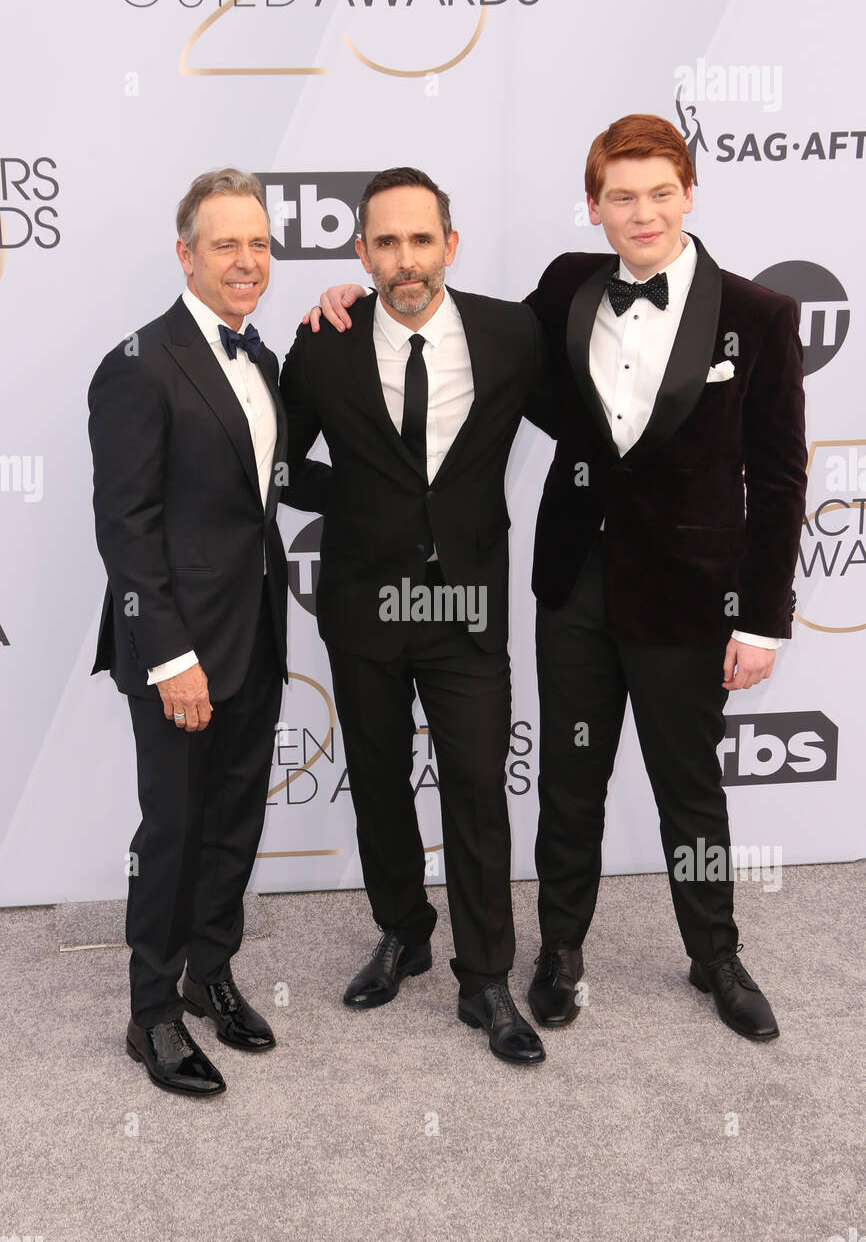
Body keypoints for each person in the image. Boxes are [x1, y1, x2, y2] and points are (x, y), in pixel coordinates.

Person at [312, 115, 808, 1043]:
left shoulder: (760, 314)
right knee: (569, 784)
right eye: (621, 195)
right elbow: (462, 335)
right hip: (573, 584)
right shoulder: (566, 287)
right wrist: (357, 296)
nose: (642, 211)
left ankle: (715, 952)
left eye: (660, 191)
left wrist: (763, 619)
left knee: (689, 788)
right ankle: (561, 951)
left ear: (690, 193)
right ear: (594, 206)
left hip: (692, 594)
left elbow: (780, 478)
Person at [280, 167, 553, 1066]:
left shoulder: (513, 333)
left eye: (421, 239)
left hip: (463, 603)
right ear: (361, 252)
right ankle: (403, 930)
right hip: (362, 602)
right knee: (381, 780)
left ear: (451, 244)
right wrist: (356, 500)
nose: (406, 260)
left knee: (477, 789)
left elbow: (601, 388)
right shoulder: (324, 341)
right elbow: (274, 460)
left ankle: (486, 980)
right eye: (386, 242)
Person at [88, 168, 321, 1096]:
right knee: (174, 830)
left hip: (258, 634)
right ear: (185, 253)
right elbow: (126, 529)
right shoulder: (138, 365)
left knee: (234, 820)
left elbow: (272, 480)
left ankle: (208, 972)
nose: (247, 260)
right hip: (178, 648)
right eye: (226, 243)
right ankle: (151, 1016)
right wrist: (170, 658)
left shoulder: (258, 358)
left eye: (259, 243)